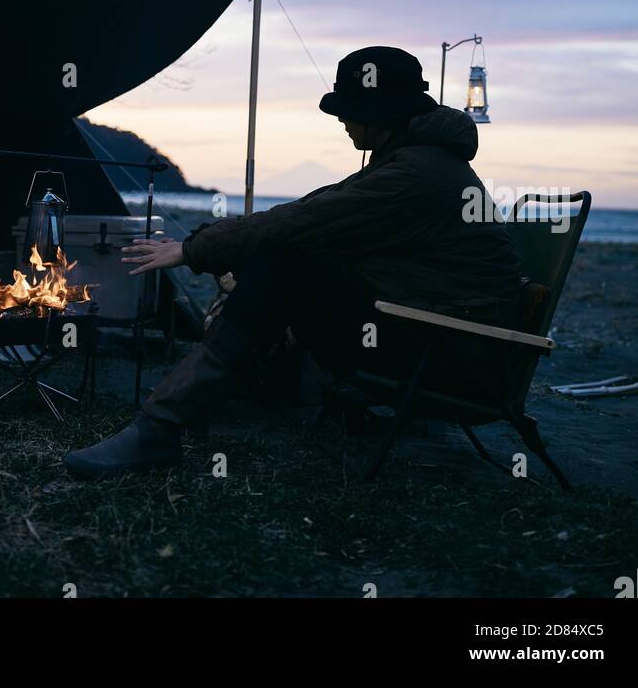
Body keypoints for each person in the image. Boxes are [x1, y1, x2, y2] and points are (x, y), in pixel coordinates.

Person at [63, 46, 524, 479]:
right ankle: (193, 413)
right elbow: (322, 211)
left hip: (453, 355)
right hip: (439, 335)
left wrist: (191, 250)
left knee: (284, 263)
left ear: (378, 114)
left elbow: (307, 218)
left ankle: (158, 428)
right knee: (286, 257)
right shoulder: (415, 160)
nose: (342, 120)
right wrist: (218, 245)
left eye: (348, 109)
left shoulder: (414, 173)